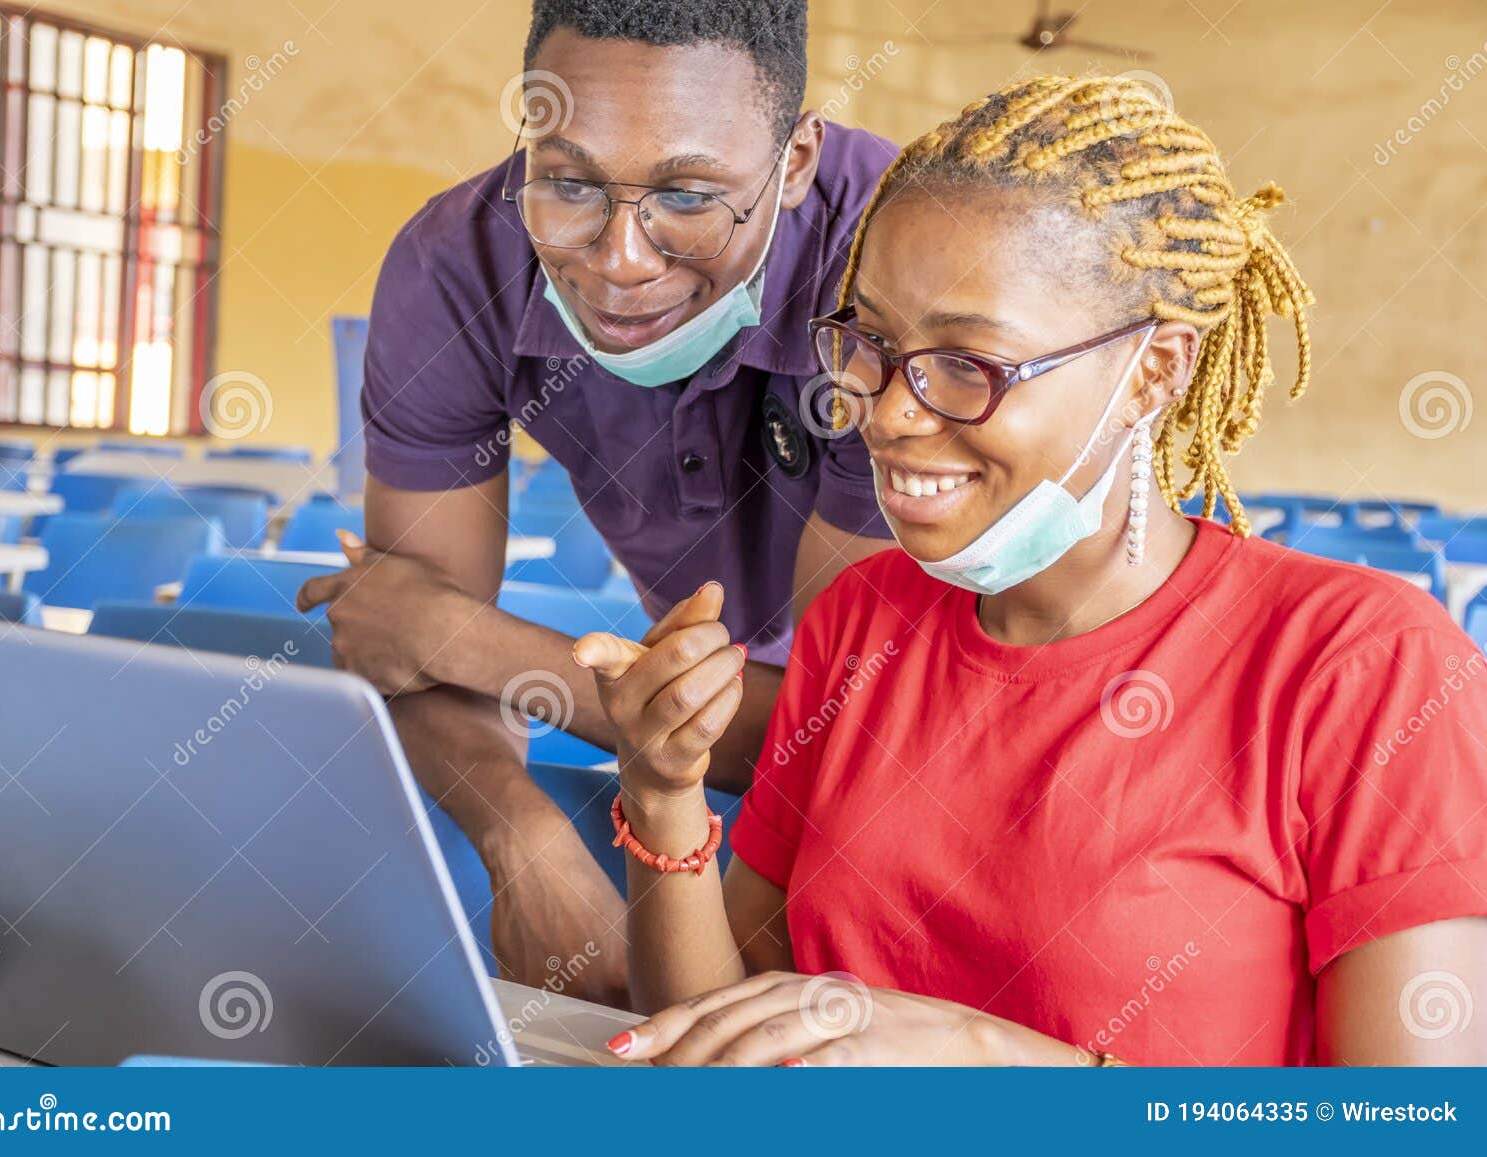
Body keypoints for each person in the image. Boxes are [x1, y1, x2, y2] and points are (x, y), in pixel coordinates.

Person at [576, 76, 1487, 1065]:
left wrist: (980, 1053)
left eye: (970, 362)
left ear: (1153, 370)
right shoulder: (860, 620)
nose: (886, 410)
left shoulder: (1360, 665)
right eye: (870, 343)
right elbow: (718, 1040)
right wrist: (663, 785)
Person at [297, 1, 895, 1001]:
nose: (621, 259)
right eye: (567, 182)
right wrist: (519, 835)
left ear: (794, 163)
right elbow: (398, 655)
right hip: (710, 689)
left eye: (692, 195)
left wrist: (457, 632)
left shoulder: (895, 265)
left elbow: (832, 739)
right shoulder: (457, 267)